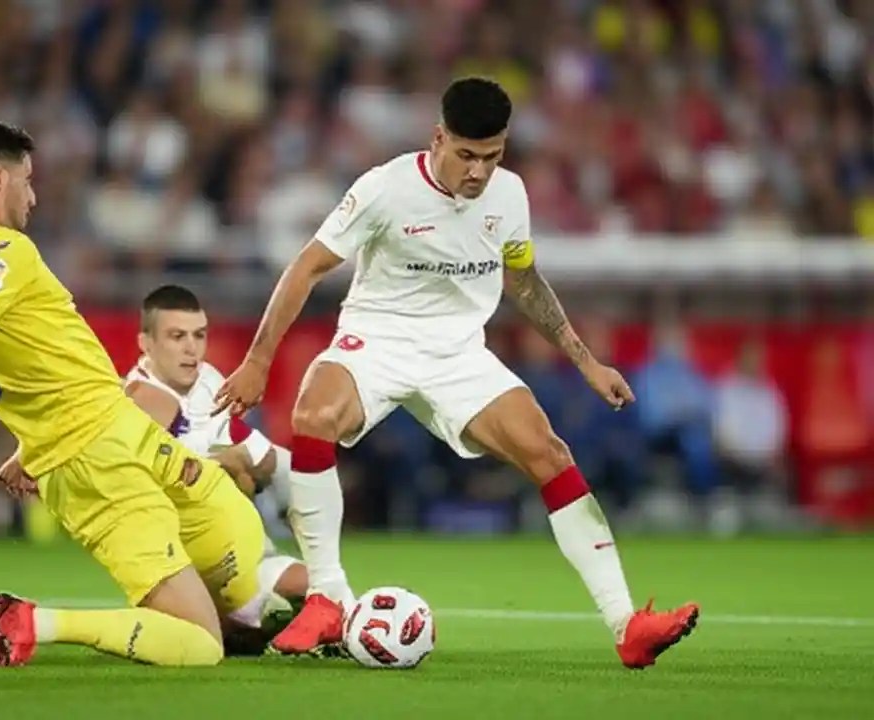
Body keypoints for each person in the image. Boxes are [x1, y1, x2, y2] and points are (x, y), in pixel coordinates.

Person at [214, 77, 699, 669]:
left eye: (491, 158)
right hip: (379, 339)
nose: (477, 172)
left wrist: (586, 360)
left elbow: (524, 280)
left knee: (549, 453)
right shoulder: (385, 189)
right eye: (466, 155)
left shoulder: (509, 196)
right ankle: (326, 599)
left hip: (459, 354)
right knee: (313, 413)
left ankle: (628, 625)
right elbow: (306, 267)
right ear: (438, 137)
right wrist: (259, 359)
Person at [0, 118, 270, 668]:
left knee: (231, 517)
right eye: (26, 180)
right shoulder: (4, 253)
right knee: (201, 648)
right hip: (94, 460)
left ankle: (291, 610)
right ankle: (40, 622)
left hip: (117, 426)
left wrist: (26, 445)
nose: (33, 196)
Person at [123, 284, 308, 604]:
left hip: (233, 539)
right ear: (146, 344)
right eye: (177, 337)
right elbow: (198, 482)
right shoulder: (143, 400)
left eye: (199, 335)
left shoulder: (208, 380)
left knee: (305, 478)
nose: (191, 349)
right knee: (301, 598)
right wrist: (235, 469)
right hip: (180, 560)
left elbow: (255, 460)